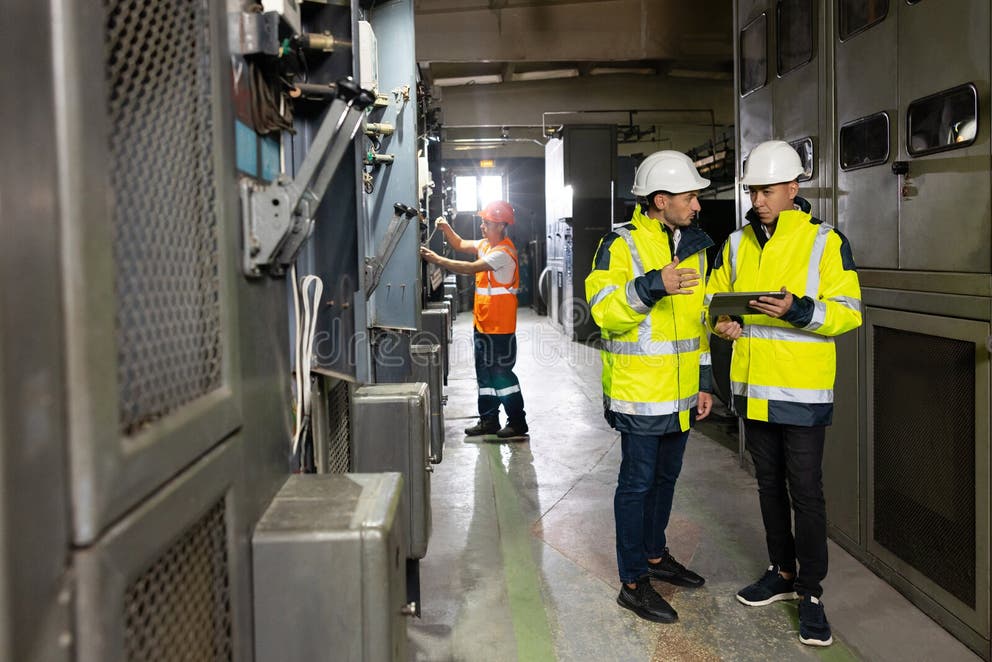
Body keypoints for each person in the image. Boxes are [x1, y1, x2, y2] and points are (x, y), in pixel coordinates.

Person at [707, 140, 862, 647]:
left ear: (793, 189)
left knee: (806, 491)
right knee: (768, 485)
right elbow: (714, 297)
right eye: (752, 191)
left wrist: (799, 310)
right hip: (754, 389)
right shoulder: (735, 243)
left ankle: (812, 593)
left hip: (801, 391)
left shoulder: (825, 241)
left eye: (766, 191)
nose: (757, 200)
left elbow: (848, 312)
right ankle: (782, 571)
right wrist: (723, 321)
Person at [585, 151, 714, 623]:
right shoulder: (619, 245)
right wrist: (653, 285)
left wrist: (703, 380)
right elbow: (603, 312)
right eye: (690, 197)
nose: (697, 205)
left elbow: (697, 322)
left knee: (665, 479)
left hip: (681, 395)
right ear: (661, 200)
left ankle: (656, 556)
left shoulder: (696, 245)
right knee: (636, 485)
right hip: (639, 394)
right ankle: (633, 580)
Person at [420, 200, 528, 439]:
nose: (482, 226)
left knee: (502, 375)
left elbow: (470, 268)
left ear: (500, 225)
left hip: (500, 329)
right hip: (483, 325)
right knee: (485, 375)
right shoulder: (486, 245)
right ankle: (489, 419)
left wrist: (437, 260)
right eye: (482, 221)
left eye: (486, 222)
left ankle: (518, 421)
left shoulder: (503, 253)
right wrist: (445, 227)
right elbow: (459, 244)